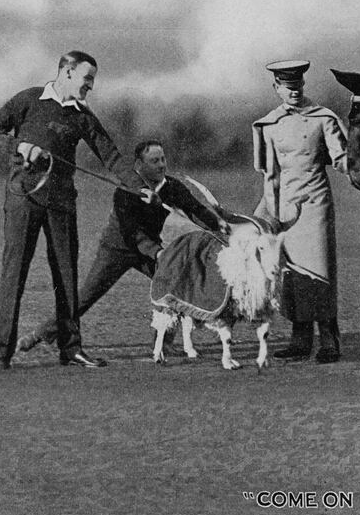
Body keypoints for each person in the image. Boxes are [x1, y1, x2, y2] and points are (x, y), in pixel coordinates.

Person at [0, 51, 154, 371]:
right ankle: (1, 353)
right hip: (22, 200)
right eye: (87, 78)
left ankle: (71, 349)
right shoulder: (29, 99)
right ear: (67, 72)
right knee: (14, 274)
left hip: (61, 205)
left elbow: (112, 157)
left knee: (66, 275)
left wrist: (138, 187)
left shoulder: (82, 116)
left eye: (93, 80)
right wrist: (19, 147)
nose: (91, 85)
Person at [16, 140, 231, 357]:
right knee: (86, 297)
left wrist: (218, 225)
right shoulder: (126, 190)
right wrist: (157, 252)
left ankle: (164, 344)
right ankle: (39, 334)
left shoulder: (172, 187)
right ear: (140, 164)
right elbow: (131, 231)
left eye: (163, 159)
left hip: (149, 249)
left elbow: (195, 209)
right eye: (154, 161)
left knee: (173, 286)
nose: (161, 165)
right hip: (116, 250)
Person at [252, 60, 348, 364]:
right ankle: (300, 339)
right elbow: (270, 175)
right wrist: (269, 215)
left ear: (303, 85)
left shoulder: (323, 118)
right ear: (277, 88)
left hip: (316, 205)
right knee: (292, 275)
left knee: (320, 271)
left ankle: (329, 340)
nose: (293, 92)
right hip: (284, 209)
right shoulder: (269, 124)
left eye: (297, 86)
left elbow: (342, 159)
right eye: (287, 87)